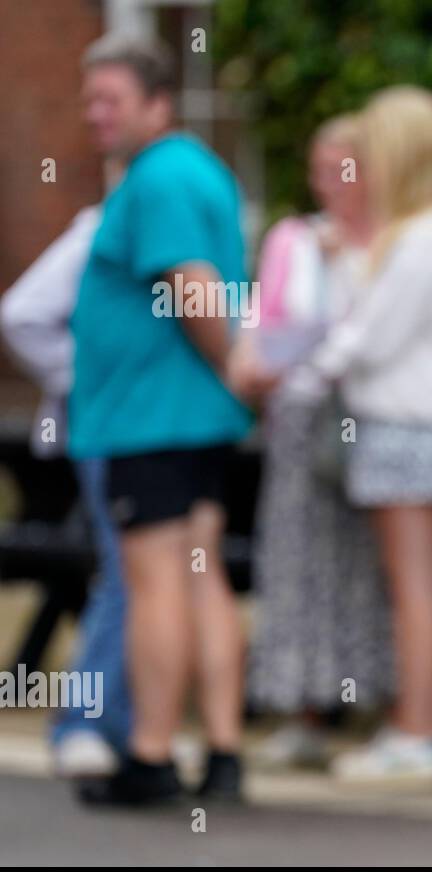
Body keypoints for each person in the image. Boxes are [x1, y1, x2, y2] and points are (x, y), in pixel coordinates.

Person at [70, 34, 254, 805]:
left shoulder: (157, 178)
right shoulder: (192, 169)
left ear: (157, 102)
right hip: (192, 419)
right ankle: (221, 752)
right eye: (89, 101)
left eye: (111, 100)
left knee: (157, 585)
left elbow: (194, 286)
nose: (95, 115)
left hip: (153, 419)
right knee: (201, 577)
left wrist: (232, 369)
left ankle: (149, 757)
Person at [293, 86, 432, 785]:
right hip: (413, 429)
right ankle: (414, 729)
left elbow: (368, 337)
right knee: (415, 585)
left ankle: (420, 732)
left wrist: (293, 373)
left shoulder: (425, 237)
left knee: (413, 587)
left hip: (407, 429)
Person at [226, 115, 393, 768]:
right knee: (297, 563)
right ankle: (301, 707)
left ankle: (375, 702)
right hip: (299, 428)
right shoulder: (292, 239)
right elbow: (260, 324)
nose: (332, 181)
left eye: (344, 166)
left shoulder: (389, 243)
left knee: (363, 568)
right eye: (322, 167)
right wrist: (254, 364)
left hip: (369, 422)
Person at [0, 183, 131, 778]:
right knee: (122, 574)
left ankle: (116, 723)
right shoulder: (101, 231)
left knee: (123, 575)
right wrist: (90, 379)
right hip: (109, 430)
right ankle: (88, 719)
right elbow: (22, 314)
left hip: (132, 432)